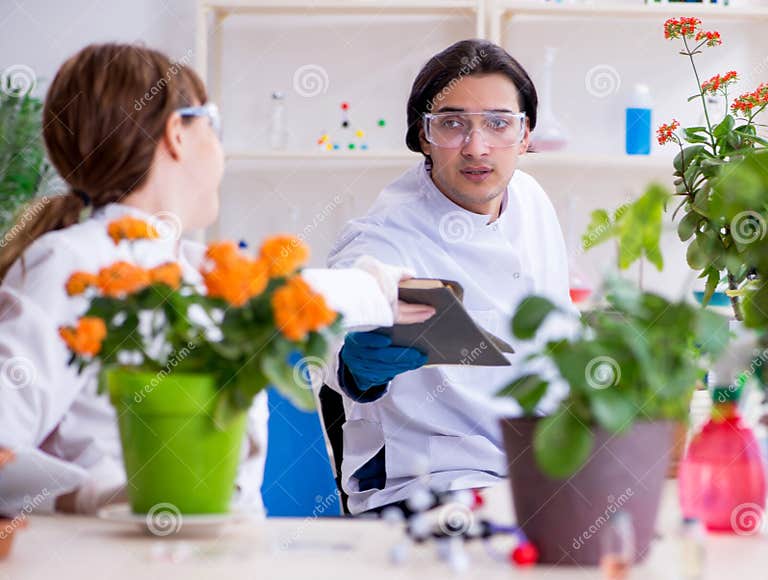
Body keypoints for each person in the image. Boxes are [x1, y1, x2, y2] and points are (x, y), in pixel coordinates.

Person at [0, 43, 433, 515]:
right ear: (177, 134)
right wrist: (99, 498)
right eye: (215, 125)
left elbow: (278, 295)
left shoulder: (186, 268)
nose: (220, 152)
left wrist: (381, 293)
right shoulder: (69, 265)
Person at [326, 39, 577, 515]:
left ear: (526, 136)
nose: (476, 147)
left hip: (540, 469)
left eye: (499, 124)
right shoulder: (384, 237)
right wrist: (354, 369)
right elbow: (343, 308)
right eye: (452, 123)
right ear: (423, 136)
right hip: (432, 484)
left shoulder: (531, 197)